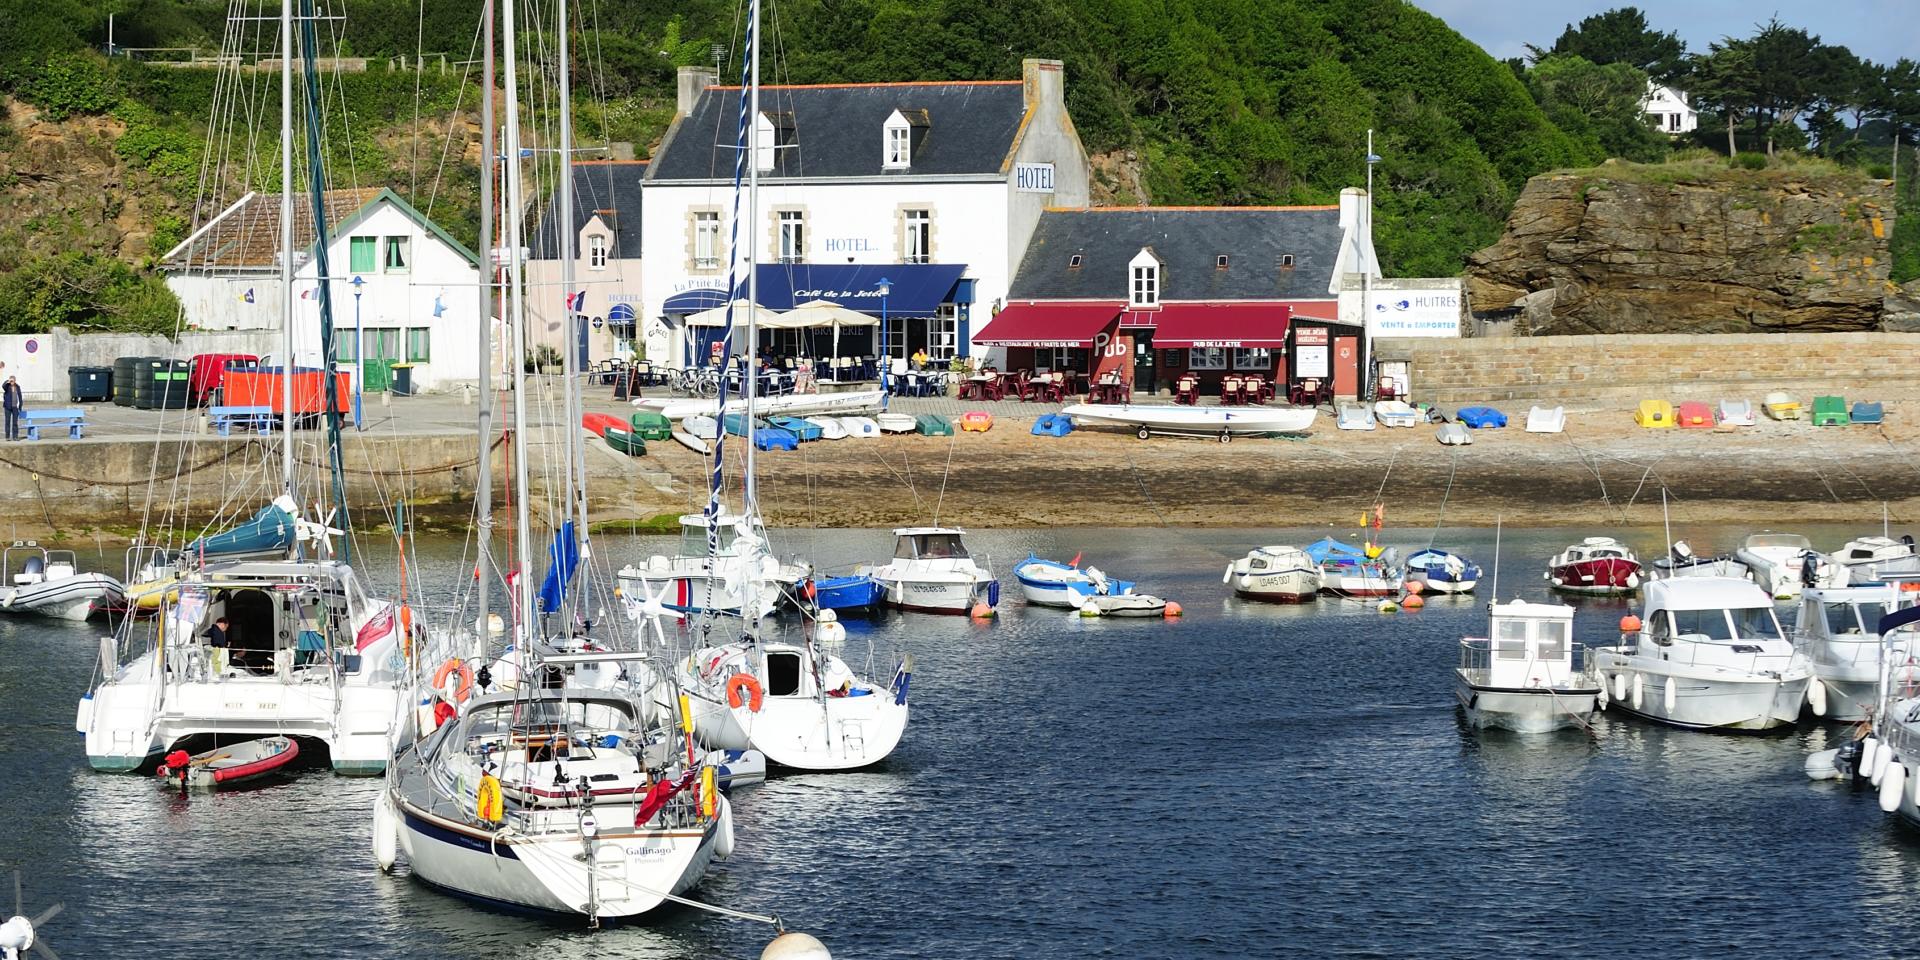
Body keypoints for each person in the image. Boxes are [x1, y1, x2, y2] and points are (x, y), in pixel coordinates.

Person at [3, 376, 22, 441]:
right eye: (11, 381)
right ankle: (7, 437)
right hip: (7, 407)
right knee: (7, 422)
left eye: (12, 380)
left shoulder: (17, 387)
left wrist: (20, 406)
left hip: (15, 407)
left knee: (15, 423)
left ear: (15, 381)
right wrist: (7, 381)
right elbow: (3, 386)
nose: (11, 382)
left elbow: (20, 396)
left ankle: (15, 437)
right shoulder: (7, 386)